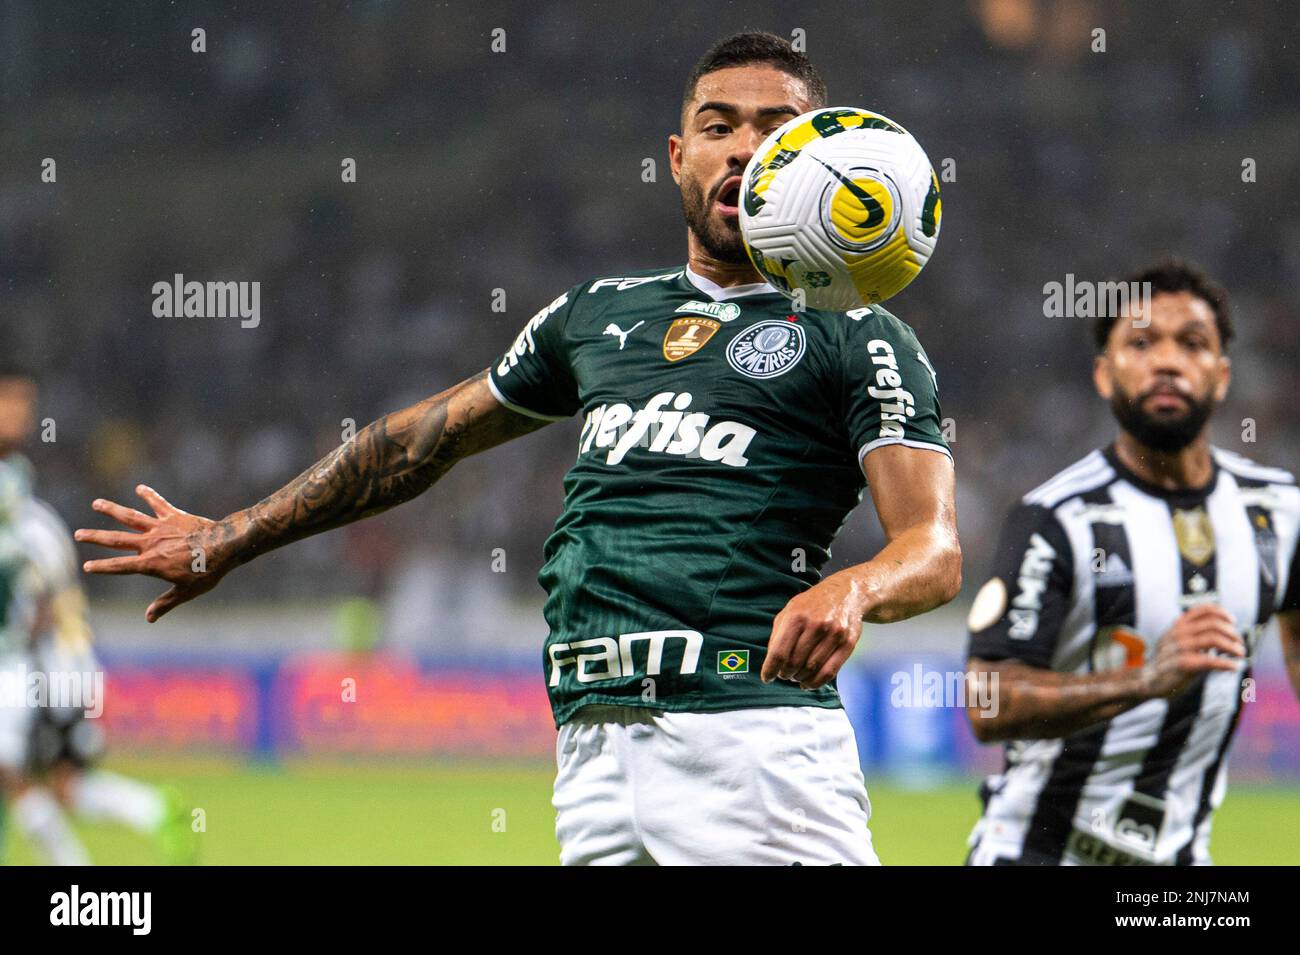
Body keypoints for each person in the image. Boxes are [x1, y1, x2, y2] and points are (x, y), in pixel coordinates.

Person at [77, 32, 960, 865]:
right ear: (676, 156)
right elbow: (419, 441)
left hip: (751, 735)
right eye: (717, 126)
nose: (741, 148)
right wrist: (232, 535)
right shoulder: (598, 315)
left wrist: (854, 586)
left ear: (817, 158)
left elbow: (934, 546)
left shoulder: (856, 334)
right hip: (592, 746)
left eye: (775, 130)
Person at [962, 260, 1300, 866]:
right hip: (1037, 856)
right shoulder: (1055, 517)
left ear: (1222, 376)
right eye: (1141, 343)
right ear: (1103, 373)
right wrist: (1145, 679)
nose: (1167, 361)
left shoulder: (1280, 511)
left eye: (1192, 343)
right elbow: (988, 701)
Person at [0, 365, 194, 865]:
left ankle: (78, 875)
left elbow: (40, 612)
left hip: (45, 671)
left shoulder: (29, 533)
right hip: (63, 666)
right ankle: (151, 810)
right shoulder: (40, 526)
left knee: (17, 777)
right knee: (62, 785)